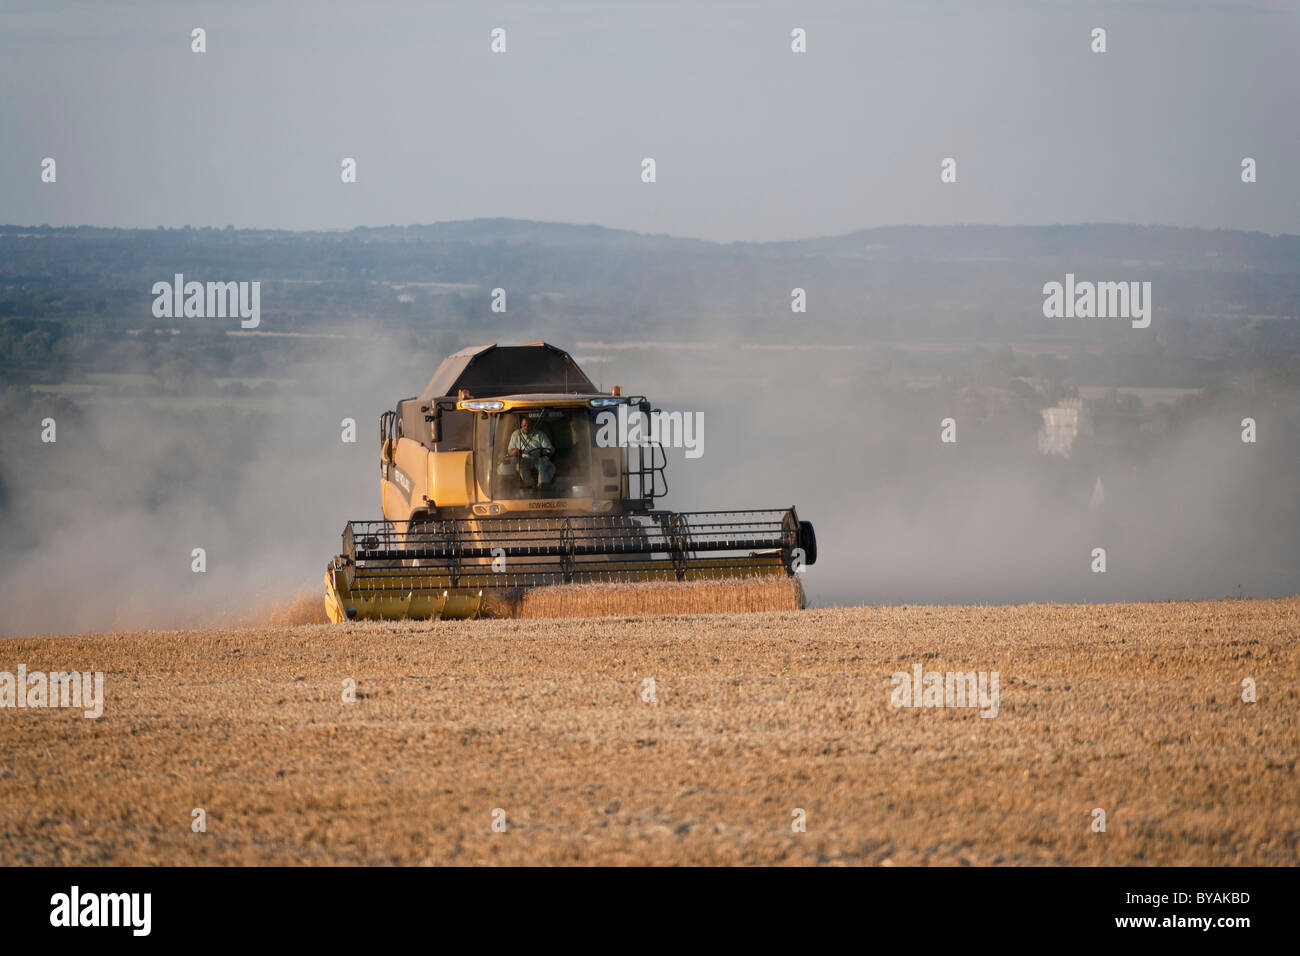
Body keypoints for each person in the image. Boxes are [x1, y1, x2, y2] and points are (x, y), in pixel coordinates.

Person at [506, 415, 555, 491]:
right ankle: (531, 487)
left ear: (532, 425)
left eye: (528, 425)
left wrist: (548, 451)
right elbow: (509, 452)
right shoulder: (515, 434)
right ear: (521, 425)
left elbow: (549, 448)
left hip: (539, 458)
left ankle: (542, 487)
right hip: (523, 460)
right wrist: (514, 451)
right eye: (524, 425)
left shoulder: (540, 434)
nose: (526, 427)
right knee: (519, 466)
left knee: (546, 466)